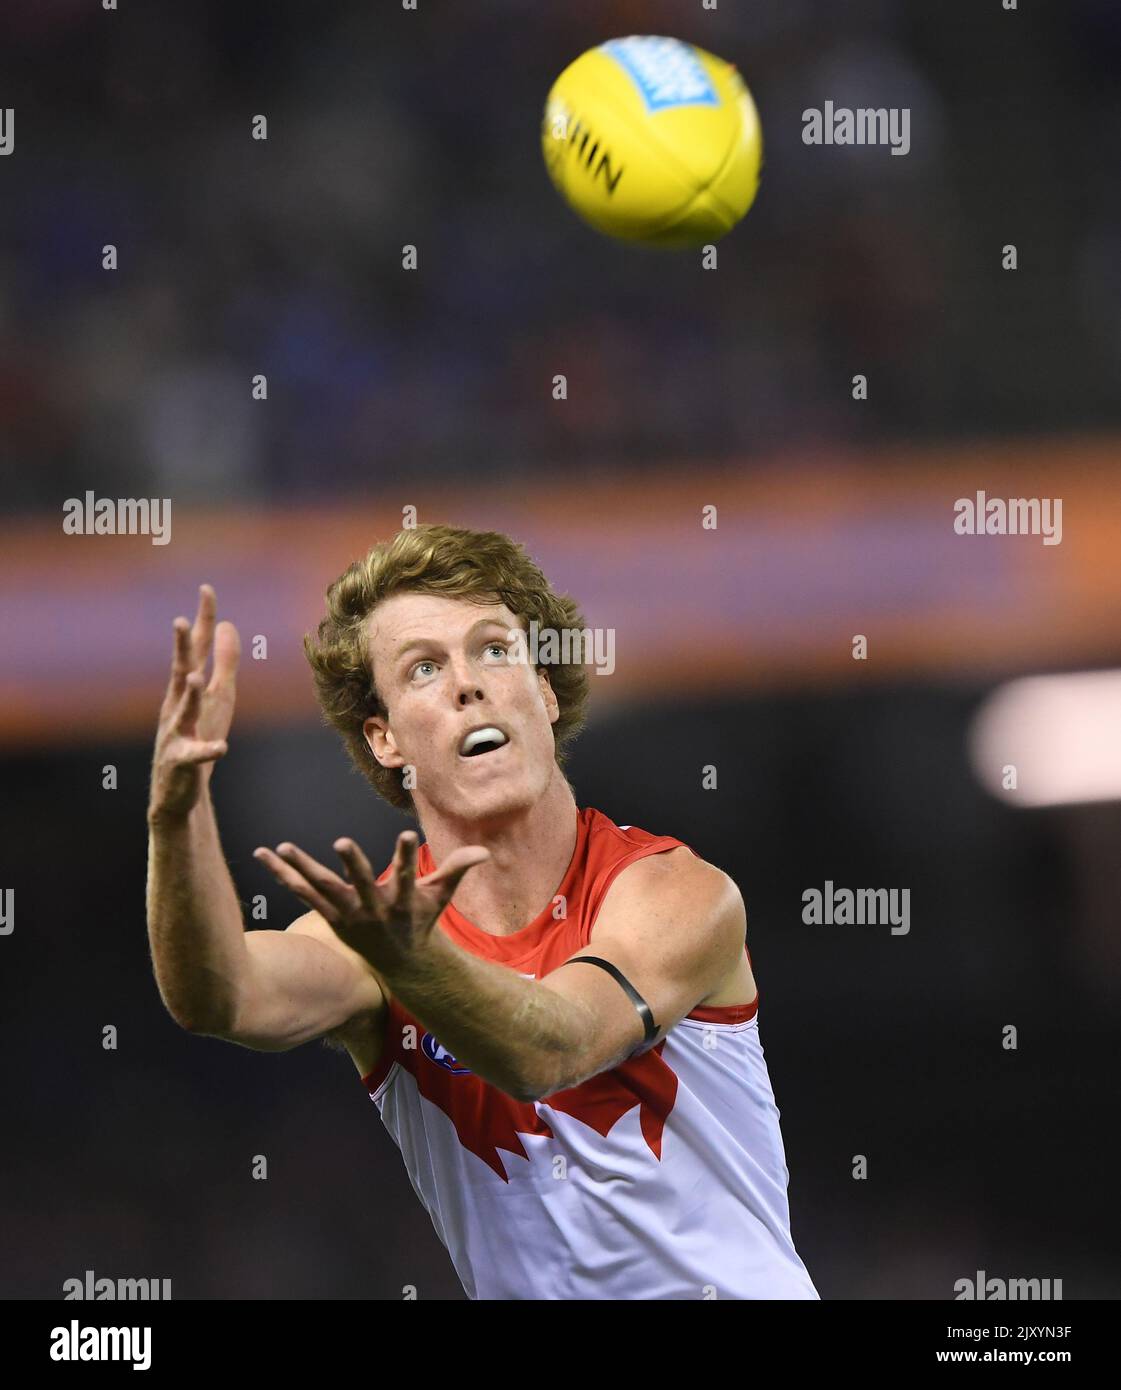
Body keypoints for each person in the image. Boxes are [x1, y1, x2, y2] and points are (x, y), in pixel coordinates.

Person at [146, 523, 818, 1300]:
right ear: (385, 737)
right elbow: (216, 996)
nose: (467, 683)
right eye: (424, 668)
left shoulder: (673, 892)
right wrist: (176, 814)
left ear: (545, 689)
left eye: (495, 650)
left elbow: (552, 1052)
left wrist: (411, 961)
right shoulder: (372, 940)